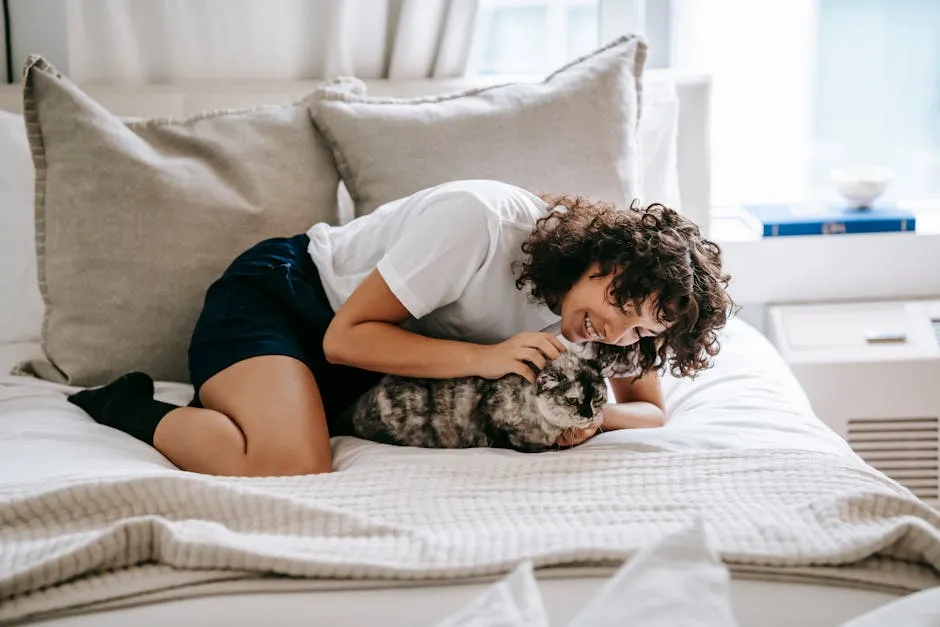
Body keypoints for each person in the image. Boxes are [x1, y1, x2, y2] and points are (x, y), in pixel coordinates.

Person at [68, 179, 734, 477]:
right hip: (293, 301)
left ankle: (251, 405)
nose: (616, 333)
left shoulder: (615, 326)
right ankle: (125, 404)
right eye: (625, 302)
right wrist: (490, 357)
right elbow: (344, 338)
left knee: (293, 444)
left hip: (377, 363)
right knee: (287, 464)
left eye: (643, 332)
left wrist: (585, 418)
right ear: (605, 254)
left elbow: (649, 412)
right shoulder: (480, 221)